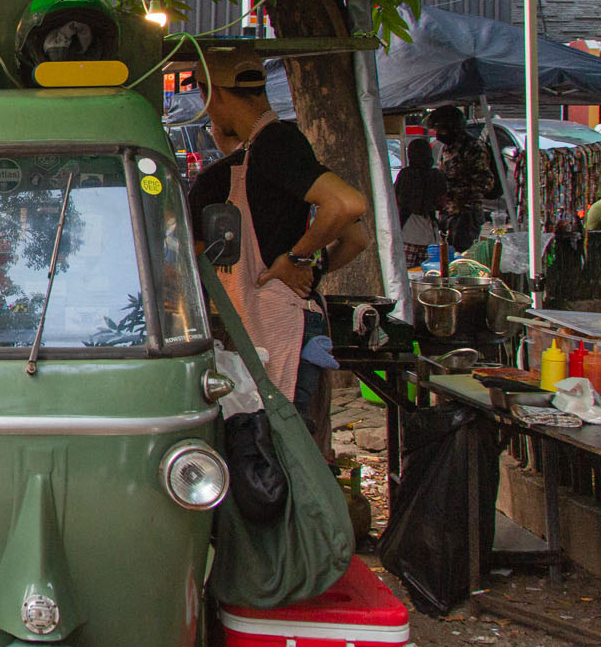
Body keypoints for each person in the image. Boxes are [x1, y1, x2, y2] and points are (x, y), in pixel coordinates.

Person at [189, 60, 371, 430]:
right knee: (288, 443)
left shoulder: (274, 145)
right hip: (297, 325)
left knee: (282, 447)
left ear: (213, 94)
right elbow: (357, 239)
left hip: (282, 331)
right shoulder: (276, 146)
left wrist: (296, 258)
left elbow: (347, 204)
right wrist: (309, 268)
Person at [427, 106, 500, 251]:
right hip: (447, 213)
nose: (438, 134)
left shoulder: (473, 147)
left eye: (441, 130)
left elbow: (485, 182)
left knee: (463, 256)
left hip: (466, 215)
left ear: (453, 128)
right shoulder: (447, 149)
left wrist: (455, 187)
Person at [394, 136, 449, 267]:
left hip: (407, 234)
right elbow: (443, 203)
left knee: (406, 273)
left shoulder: (405, 174)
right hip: (430, 237)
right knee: (428, 273)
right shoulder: (437, 175)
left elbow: (396, 200)